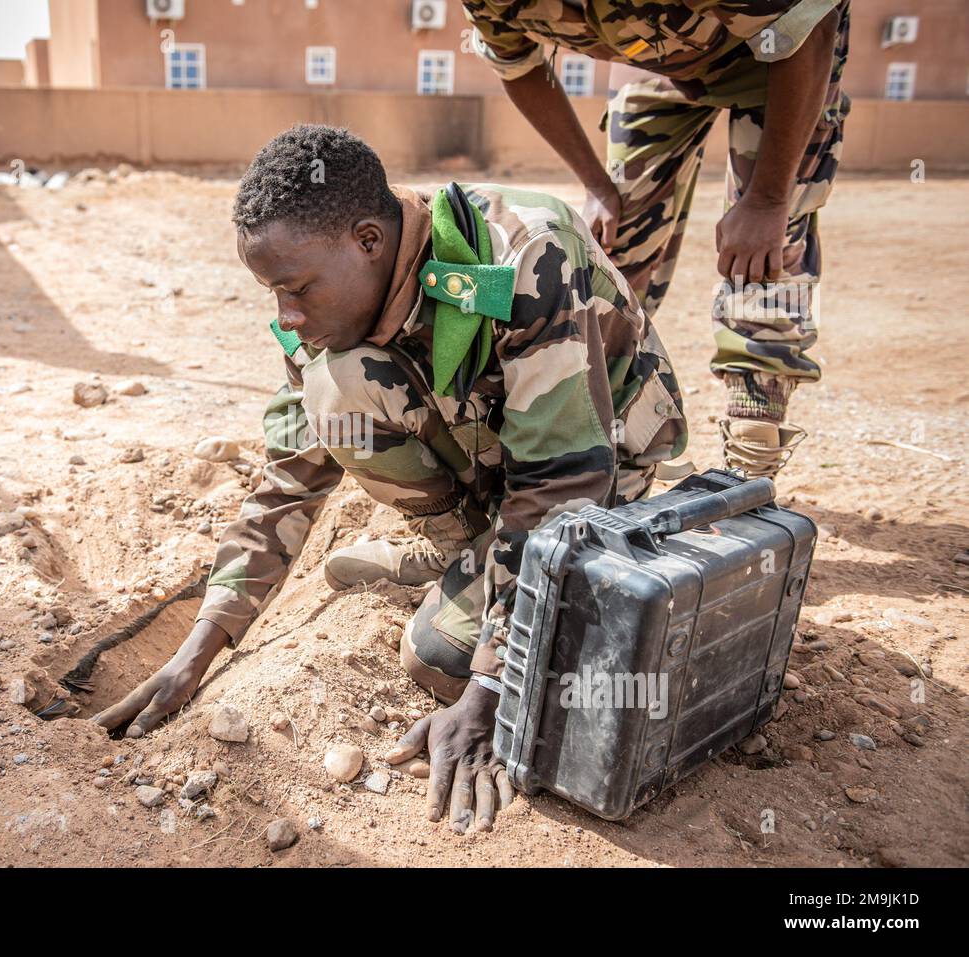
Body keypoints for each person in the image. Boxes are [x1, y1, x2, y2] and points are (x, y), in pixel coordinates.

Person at [97, 124, 687, 834]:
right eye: (272, 292)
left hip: (599, 457)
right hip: (503, 459)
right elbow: (288, 480)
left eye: (296, 288)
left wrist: (491, 687)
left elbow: (563, 485)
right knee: (332, 387)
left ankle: (488, 580)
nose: (285, 314)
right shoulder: (319, 319)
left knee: (438, 655)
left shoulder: (526, 254)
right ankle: (465, 550)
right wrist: (200, 648)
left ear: (369, 241)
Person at [461, 0, 849, 478]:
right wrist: (598, 185)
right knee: (610, 252)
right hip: (655, 58)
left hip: (782, 53)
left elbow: (811, 27)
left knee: (766, 248)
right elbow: (517, 66)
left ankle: (753, 449)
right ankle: (619, 447)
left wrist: (768, 200)